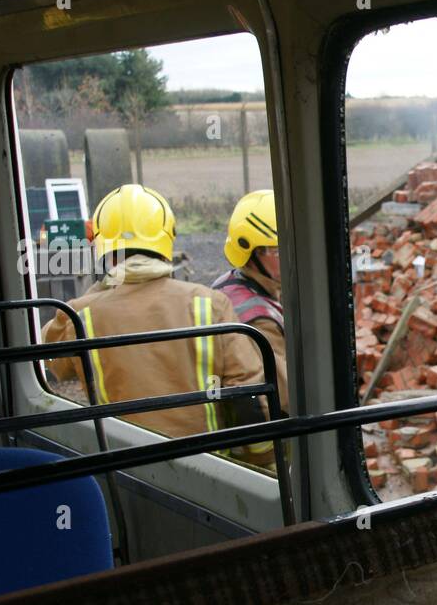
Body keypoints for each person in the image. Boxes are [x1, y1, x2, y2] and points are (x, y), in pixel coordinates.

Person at [43, 184, 269, 450]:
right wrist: (259, 465)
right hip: (208, 469)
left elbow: (50, 361)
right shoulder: (210, 304)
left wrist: (100, 290)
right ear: (168, 237)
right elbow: (248, 395)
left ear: (103, 247)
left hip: (121, 467)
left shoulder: (81, 314)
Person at [213, 189, 288, 413]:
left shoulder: (228, 282)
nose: (288, 255)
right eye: (277, 249)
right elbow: (291, 395)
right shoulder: (258, 321)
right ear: (250, 251)